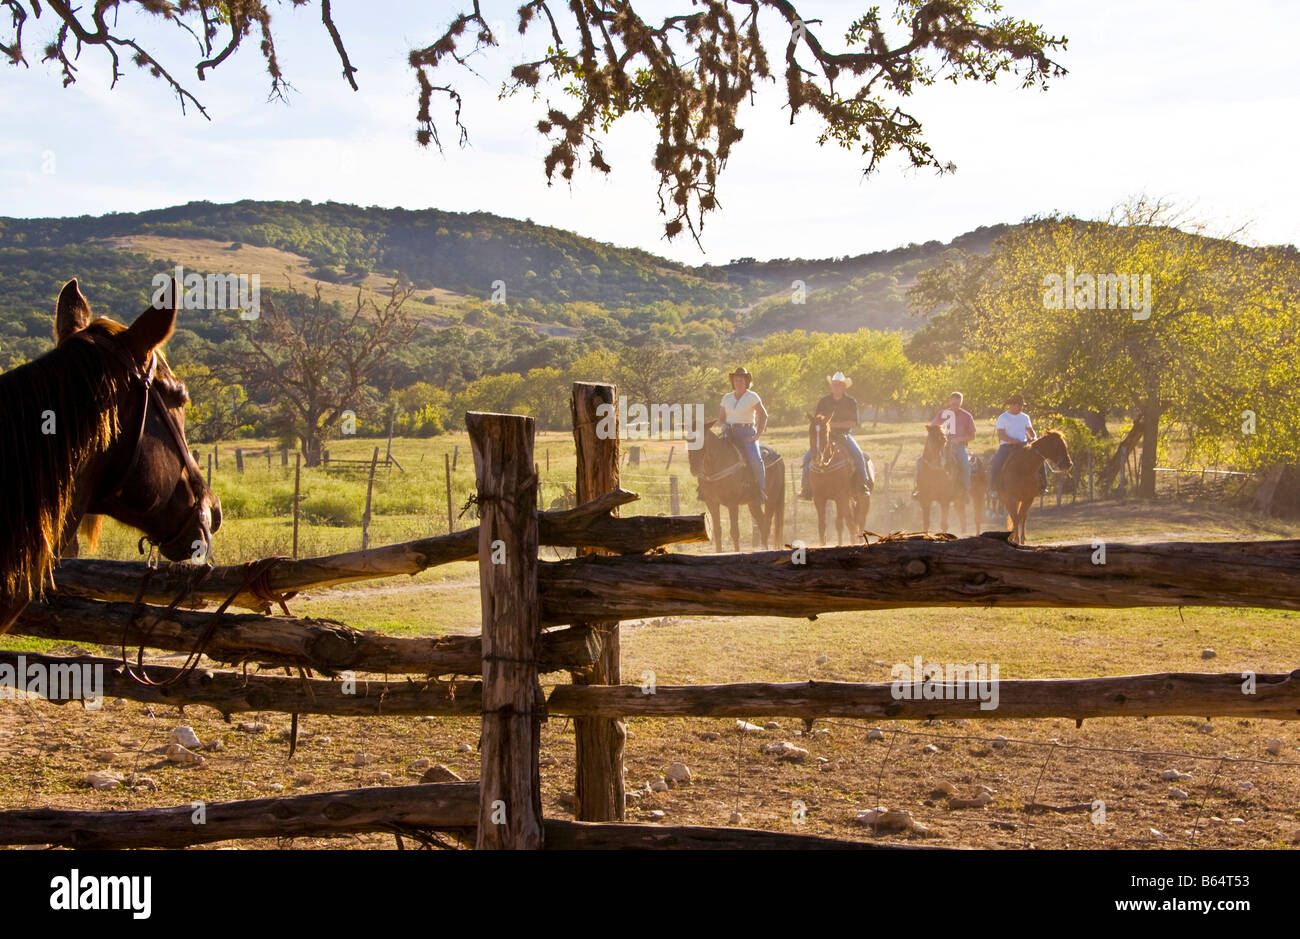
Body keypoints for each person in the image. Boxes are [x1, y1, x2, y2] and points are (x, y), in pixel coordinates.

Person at [798, 371, 870, 499]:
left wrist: (833, 425)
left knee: (858, 455)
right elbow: (816, 420)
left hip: (844, 436)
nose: (836, 387)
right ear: (831, 386)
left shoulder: (850, 402)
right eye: (834, 385)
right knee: (807, 458)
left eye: (839, 385)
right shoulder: (824, 401)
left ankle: (863, 485)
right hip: (826, 436)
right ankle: (806, 488)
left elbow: (853, 423)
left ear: (844, 386)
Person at [719, 366, 769, 504]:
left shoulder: (752, 396)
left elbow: (763, 415)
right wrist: (723, 425)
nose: (738, 382)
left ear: (747, 381)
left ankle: (761, 490)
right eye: (736, 380)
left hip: (747, 432)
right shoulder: (726, 397)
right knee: (714, 453)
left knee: (755, 459)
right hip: (729, 432)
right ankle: (709, 487)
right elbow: (721, 417)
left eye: (741, 380)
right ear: (733, 381)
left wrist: (757, 436)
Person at [913, 391, 976, 496]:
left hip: (958, 446)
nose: (954, 406)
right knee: (920, 461)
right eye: (952, 404)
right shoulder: (942, 414)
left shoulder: (967, 416)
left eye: (957, 404)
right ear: (949, 402)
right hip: (941, 446)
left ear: (961, 403)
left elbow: (972, 436)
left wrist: (959, 439)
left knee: (965, 464)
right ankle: (919, 488)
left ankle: (965, 490)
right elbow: (932, 429)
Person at [989, 393, 1049, 494]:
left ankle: (1043, 485)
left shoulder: (1025, 417)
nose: (1021, 407)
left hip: (1023, 446)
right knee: (997, 462)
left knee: (1040, 460)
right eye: (1019, 405)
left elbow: (1030, 430)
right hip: (1007, 446)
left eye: (1021, 405)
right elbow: (1001, 435)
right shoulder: (1003, 418)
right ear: (1012, 405)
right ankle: (993, 487)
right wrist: (1013, 440)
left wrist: (1033, 437)